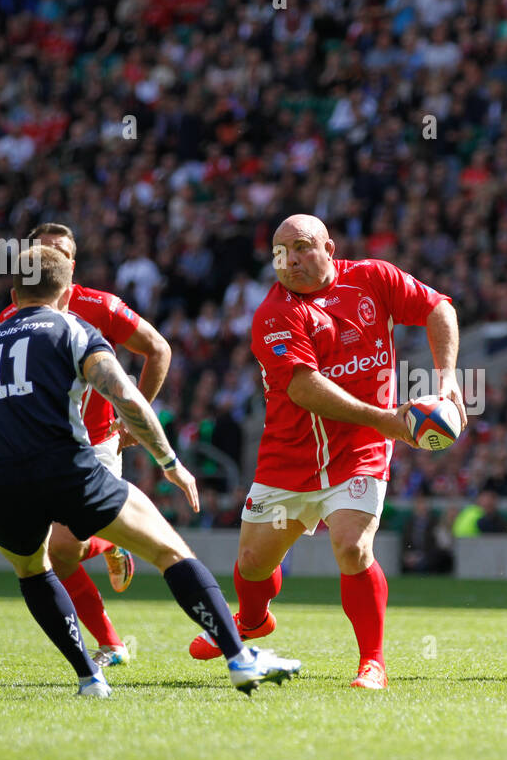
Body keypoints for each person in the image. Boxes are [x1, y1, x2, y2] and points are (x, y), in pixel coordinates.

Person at [0, 245, 300, 696]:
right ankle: (239, 657)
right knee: (170, 550)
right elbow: (126, 398)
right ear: (67, 292)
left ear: (13, 294)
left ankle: (90, 677)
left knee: (34, 571)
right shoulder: (72, 328)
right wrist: (170, 462)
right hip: (69, 470)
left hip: (1, 487)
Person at [187, 213, 465, 689]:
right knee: (253, 562)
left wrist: (446, 379)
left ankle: (371, 663)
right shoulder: (274, 313)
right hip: (288, 455)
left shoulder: (374, 278)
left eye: (300, 248)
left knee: (353, 548)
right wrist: (388, 420)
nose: (289, 260)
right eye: (279, 253)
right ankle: (252, 622)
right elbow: (305, 389)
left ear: (329, 249)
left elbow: (439, 308)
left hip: (359, 451)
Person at [0, 222, 174, 667]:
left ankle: (111, 547)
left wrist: (134, 419)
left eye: (57, 252)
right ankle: (112, 639)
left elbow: (158, 349)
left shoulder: (101, 306)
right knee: (53, 553)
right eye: (39, 251)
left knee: (60, 549)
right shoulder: (10, 317)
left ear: (72, 265)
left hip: (95, 444)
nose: (47, 259)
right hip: (41, 447)